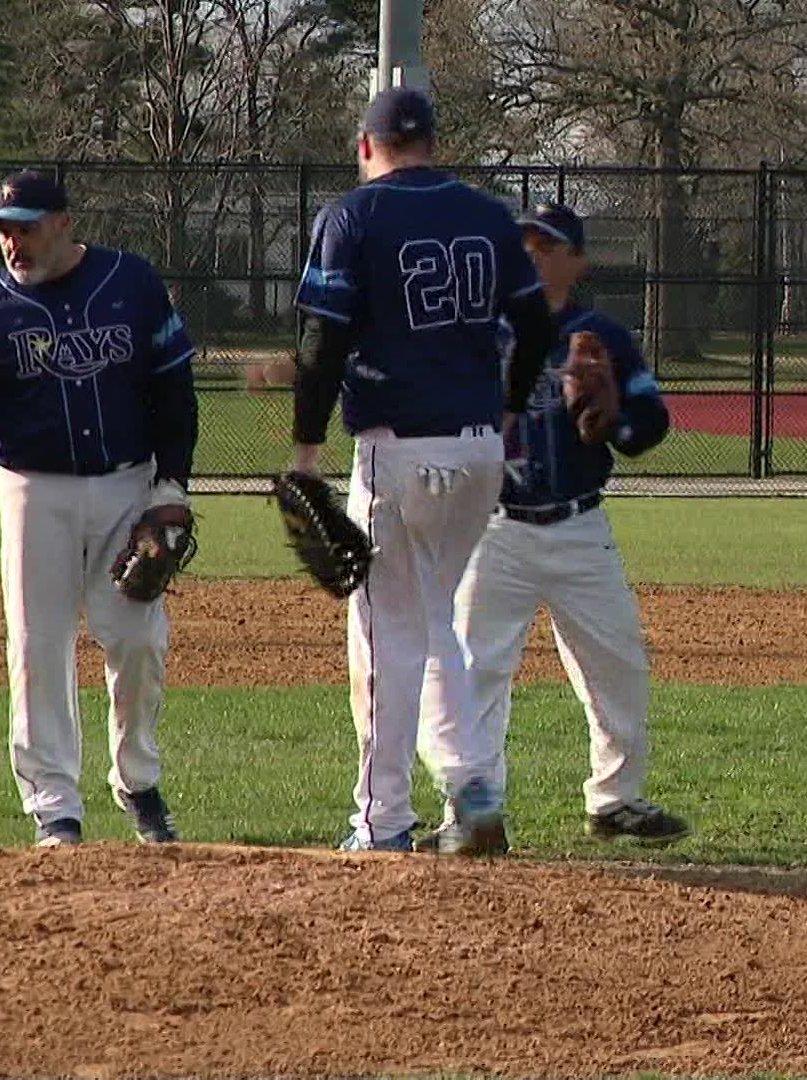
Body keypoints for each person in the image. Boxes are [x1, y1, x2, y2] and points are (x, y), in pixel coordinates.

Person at [289, 86, 554, 856]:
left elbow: (321, 342)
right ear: (432, 143)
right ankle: (473, 794)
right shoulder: (486, 215)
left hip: (396, 450)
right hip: (476, 453)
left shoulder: (353, 216)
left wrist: (307, 450)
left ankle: (381, 822)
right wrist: (505, 409)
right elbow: (535, 326)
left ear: (367, 148)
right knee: (433, 623)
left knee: (383, 639)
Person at [0, 170, 198, 848]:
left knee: (138, 637)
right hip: (34, 489)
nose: (13, 242)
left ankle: (138, 781)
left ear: (64, 222)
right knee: (38, 645)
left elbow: (174, 390)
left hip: (127, 484)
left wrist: (171, 486)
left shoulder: (130, 282)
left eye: (26, 226)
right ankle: (54, 805)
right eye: (4, 229)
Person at [446, 202, 690, 851]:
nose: (531, 254)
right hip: (493, 529)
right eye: (523, 243)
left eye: (546, 245)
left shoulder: (601, 336)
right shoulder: (481, 330)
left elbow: (651, 425)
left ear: (574, 261)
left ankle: (615, 800)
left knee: (618, 666)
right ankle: (473, 812)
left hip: (580, 526)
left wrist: (616, 422)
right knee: (476, 673)